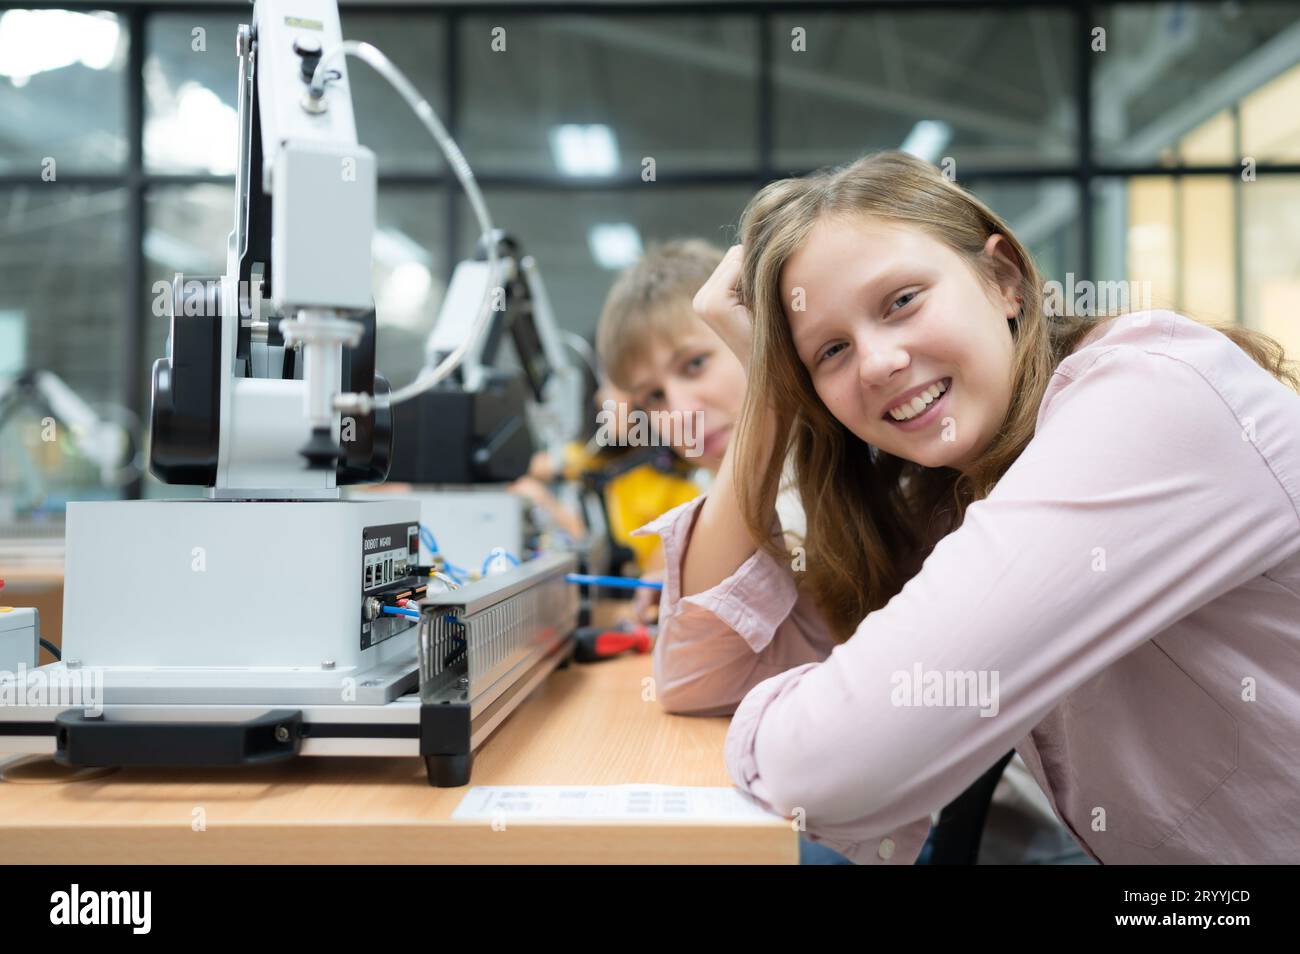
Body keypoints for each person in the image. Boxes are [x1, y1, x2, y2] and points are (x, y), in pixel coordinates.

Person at [638, 151, 1300, 864]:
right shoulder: (947, 491)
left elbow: (827, 773)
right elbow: (698, 676)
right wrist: (769, 390)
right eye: (830, 350)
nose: (877, 363)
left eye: (901, 301)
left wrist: (835, 702)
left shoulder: (1147, 404)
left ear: (1003, 278)